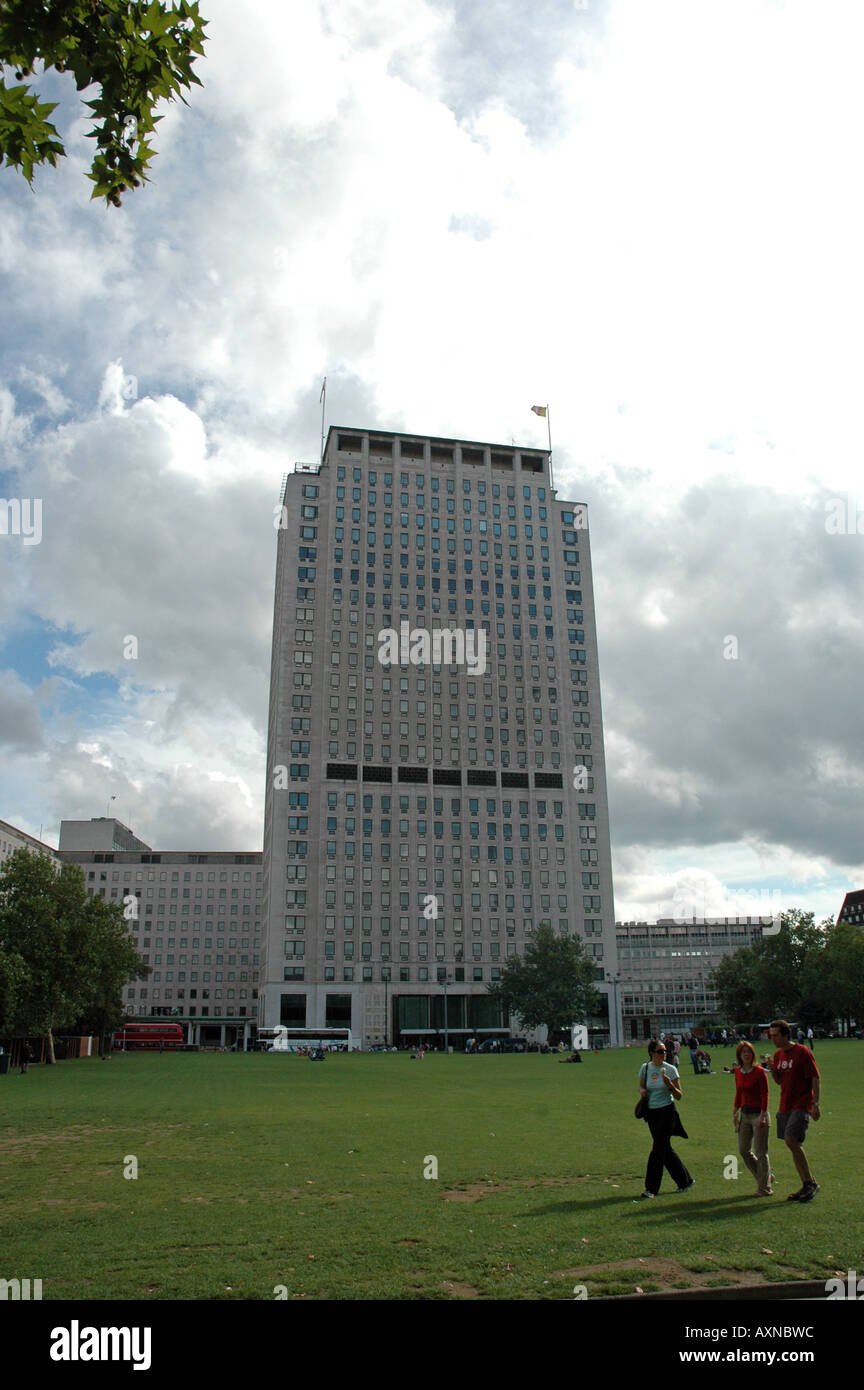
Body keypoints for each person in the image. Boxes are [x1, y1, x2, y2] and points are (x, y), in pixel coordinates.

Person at [634, 1039, 694, 1200]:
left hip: (668, 1112)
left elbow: (679, 1095)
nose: (664, 1054)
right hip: (652, 1114)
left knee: (657, 1150)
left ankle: (651, 1189)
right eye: (660, 1051)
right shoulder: (645, 1068)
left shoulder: (671, 1069)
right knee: (665, 1149)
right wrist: (642, 1092)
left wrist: (670, 1085)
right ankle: (685, 1181)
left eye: (665, 1051)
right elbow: (640, 1085)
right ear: (652, 1053)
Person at [767, 1019, 820, 1202]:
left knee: (791, 1140)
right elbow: (780, 1081)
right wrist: (773, 1069)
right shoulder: (778, 1055)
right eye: (771, 1035)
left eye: (775, 1035)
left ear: (785, 1035)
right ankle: (806, 1183)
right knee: (792, 1144)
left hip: (802, 1103)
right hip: (785, 1104)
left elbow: (814, 1077)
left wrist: (816, 1104)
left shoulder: (802, 1052)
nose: (772, 1039)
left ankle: (810, 1183)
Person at [732, 1041, 772, 1195]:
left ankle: (764, 1188)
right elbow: (738, 1092)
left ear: (753, 1054)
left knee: (761, 1152)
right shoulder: (738, 1072)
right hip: (745, 1115)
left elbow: (765, 1094)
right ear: (739, 1056)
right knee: (743, 1150)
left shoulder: (759, 1072)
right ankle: (765, 1177)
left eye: (749, 1051)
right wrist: (735, 1110)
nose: (746, 1054)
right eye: (743, 1052)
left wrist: (763, 1115)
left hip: (758, 1115)